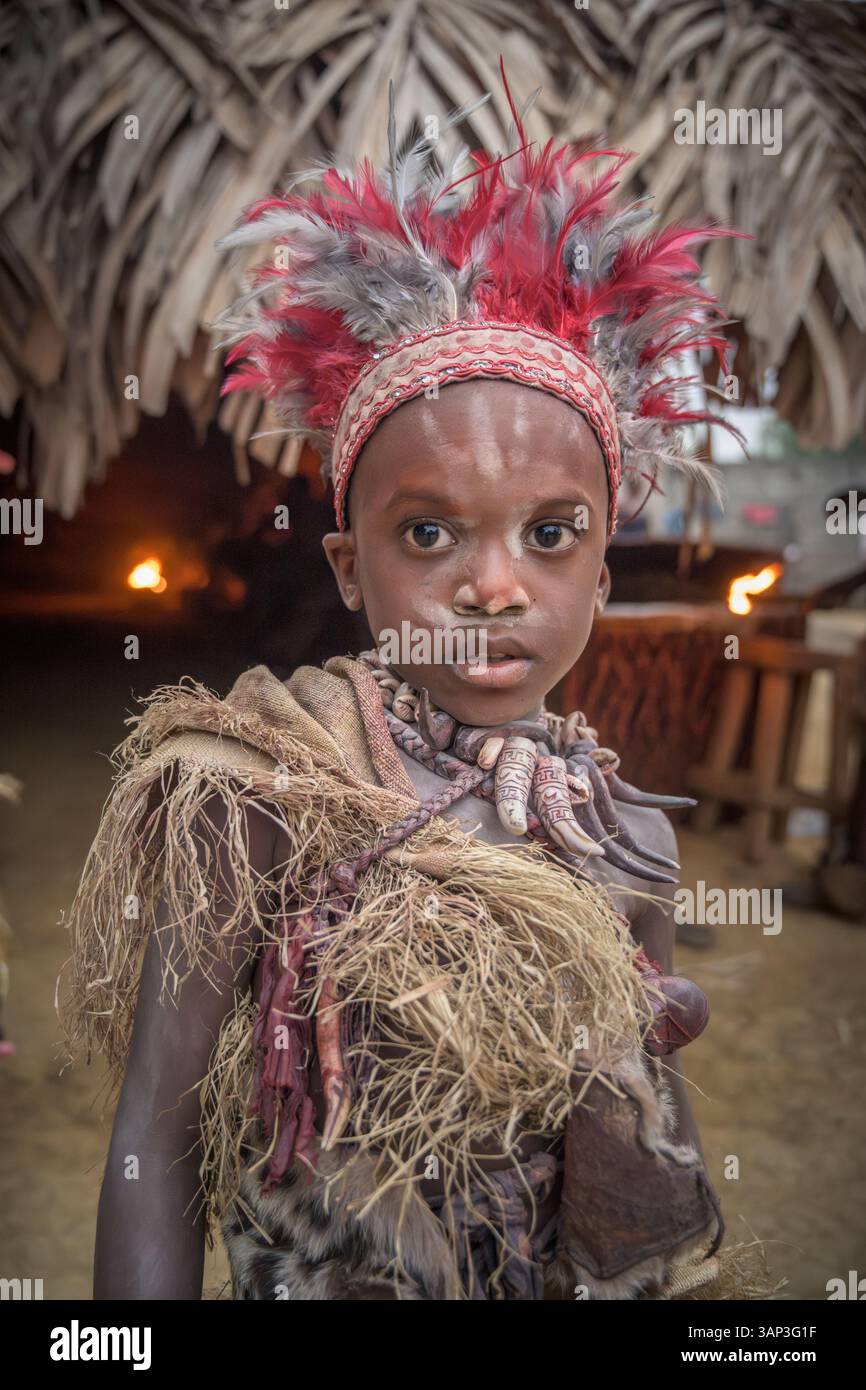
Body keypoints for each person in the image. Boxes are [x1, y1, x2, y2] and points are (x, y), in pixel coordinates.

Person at [58, 69, 742, 1301]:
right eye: (428, 535)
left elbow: (643, 1169)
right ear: (351, 568)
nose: (491, 587)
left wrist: (632, 1068)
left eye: (548, 535)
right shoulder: (263, 794)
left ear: (599, 572)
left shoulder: (622, 834)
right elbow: (149, 1148)